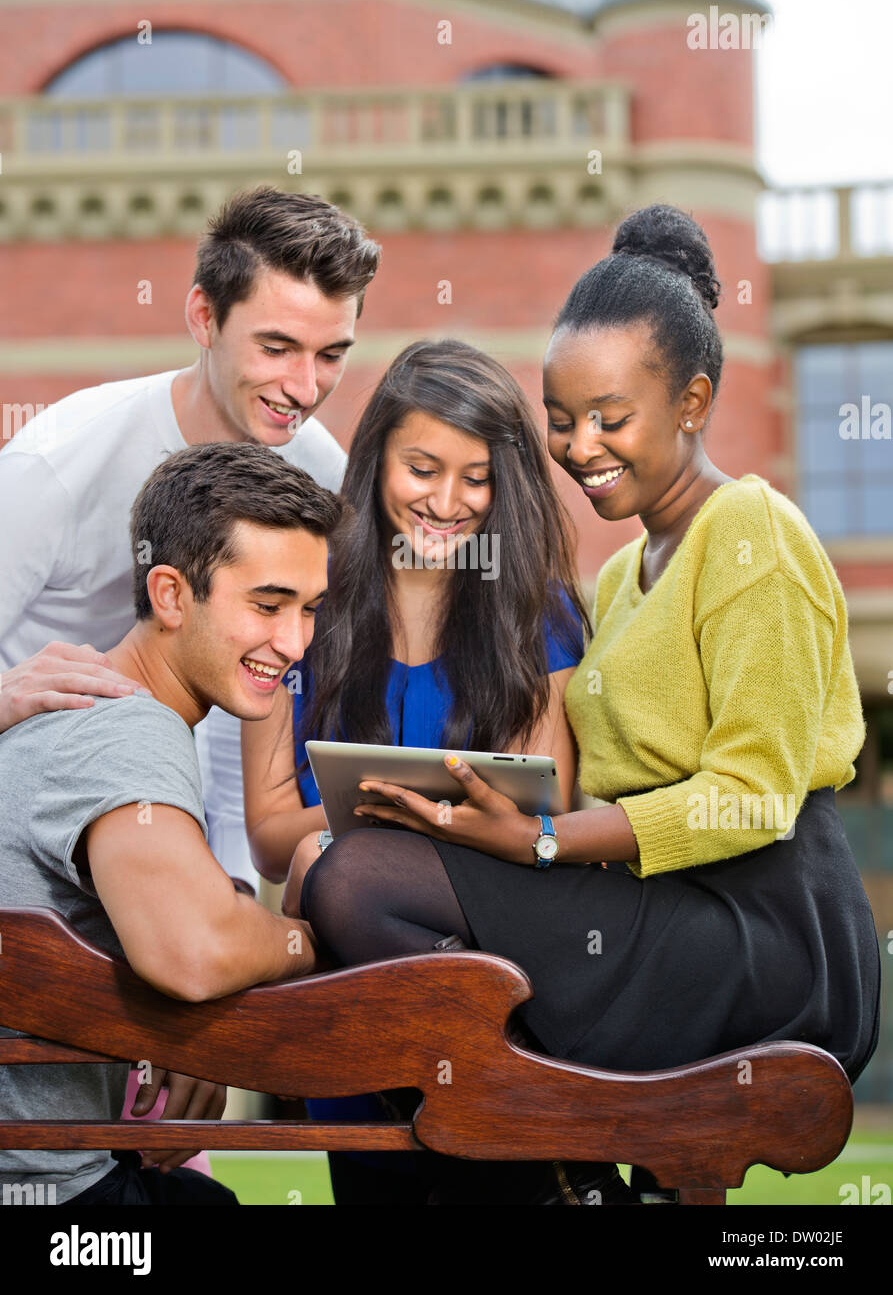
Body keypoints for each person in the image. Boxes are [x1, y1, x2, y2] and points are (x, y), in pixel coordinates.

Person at [297, 205, 882, 1205]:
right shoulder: (617, 582)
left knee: (356, 880)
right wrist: (498, 821)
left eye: (611, 416)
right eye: (560, 418)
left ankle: (547, 1147)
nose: (578, 445)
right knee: (354, 879)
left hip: (767, 932)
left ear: (692, 401)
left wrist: (539, 846)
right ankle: (544, 1157)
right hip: (656, 907)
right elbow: (581, 787)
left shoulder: (750, 531)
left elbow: (750, 796)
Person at [242, 338, 590, 1202]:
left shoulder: (533, 615)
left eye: (475, 477)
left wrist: (388, 827)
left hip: (494, 966)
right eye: (421, 468)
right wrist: (387, 819)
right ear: (377, 464)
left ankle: (529, 1146)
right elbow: (267, 834)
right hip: (350, 1004)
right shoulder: (307, 602)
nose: (446, 501)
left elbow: (551, 810)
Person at [0, 184, 380, 890]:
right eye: (276, 347)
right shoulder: (54, 466)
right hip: (38, 794)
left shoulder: (323, 473)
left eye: (330, 355)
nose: (302, 386)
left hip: (199, 772)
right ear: (204, 317)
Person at [0, 441, 340, 1205]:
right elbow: (194, 949)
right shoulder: (128, 728)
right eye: (266, 604)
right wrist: (308, 937)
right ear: (171, 595)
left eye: (309, 610)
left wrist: (192, 1020)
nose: (293, 644)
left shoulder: (72, 707)